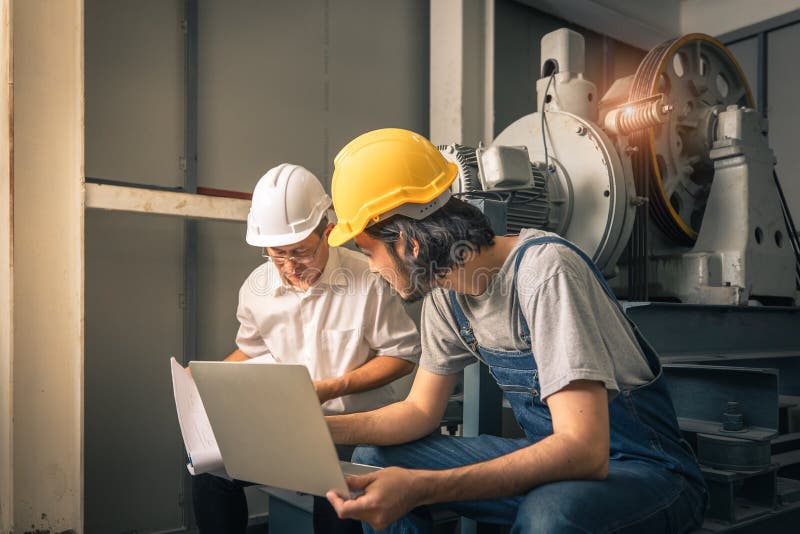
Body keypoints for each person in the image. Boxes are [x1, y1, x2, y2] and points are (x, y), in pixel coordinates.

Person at [322, 129, 708, 533]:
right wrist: (317, 430)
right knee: (373, 459)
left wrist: (420, 487)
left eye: (369, 252)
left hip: (645, 471)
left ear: (408, 244)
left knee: (549, 514)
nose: (371, 268)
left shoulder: (544, 272)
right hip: (556, 461)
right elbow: (418, 412)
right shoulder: (446, 296)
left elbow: (584, 450)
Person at [191, 163, 421, 534]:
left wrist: (333, 387)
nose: (289, 267)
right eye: (276, 254)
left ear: (327, 234)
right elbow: (250, 350)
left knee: (336, 502)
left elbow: (402, 356)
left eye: (300, 252)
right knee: (212, 475)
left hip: (352, 428)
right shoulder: (257, 287)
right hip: (286, 424)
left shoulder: (367, 280)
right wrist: (204, 380)